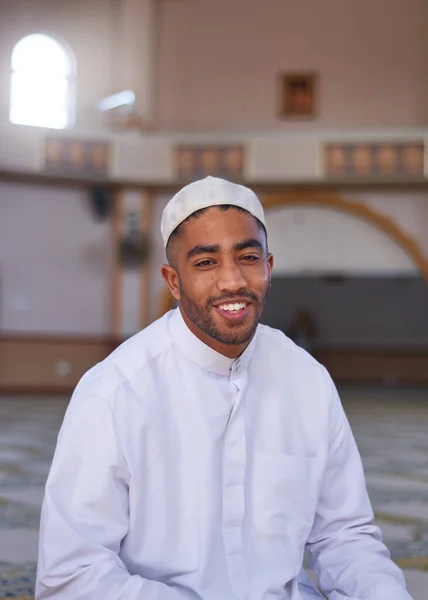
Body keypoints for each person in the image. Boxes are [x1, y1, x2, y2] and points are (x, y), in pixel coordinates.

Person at [36, 176, 413, 600]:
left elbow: (344, 536)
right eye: (206, 262)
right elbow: (73, 575)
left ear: (268, 267)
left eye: (248, 257)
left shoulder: (306, 380)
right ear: (173, 281)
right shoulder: (113, 395)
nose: (232, 281)